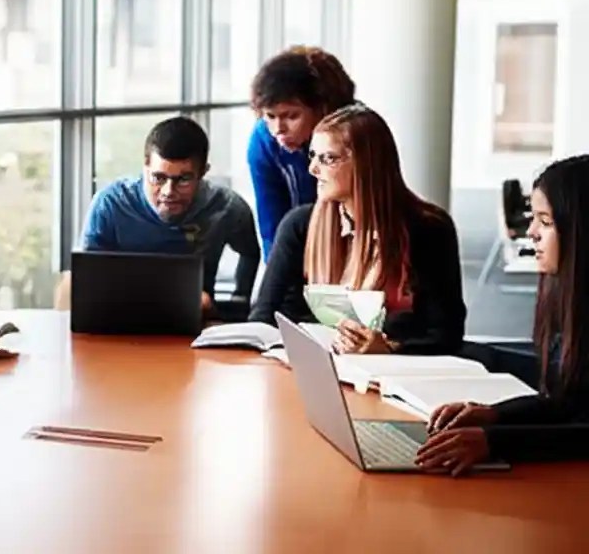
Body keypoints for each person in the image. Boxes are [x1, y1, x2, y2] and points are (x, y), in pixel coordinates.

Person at [417, 155, 589, 475]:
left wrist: (494, 441)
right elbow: (569, 402)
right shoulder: (572, 304)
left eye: (546, 221)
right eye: (533, 217)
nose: (531, 232)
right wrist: (493, 415)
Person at [248, 104, 466, 355]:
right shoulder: (299, 226)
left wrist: (387, 349)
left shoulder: (429, 229)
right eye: (312, 156)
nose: (313, 169)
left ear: (366, 163)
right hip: (312, 368)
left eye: (327, 158)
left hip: (397, 379)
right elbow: (263, 317)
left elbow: (446, 335)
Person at [81, 116, 259, 317]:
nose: (168, 191)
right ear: (145, 167)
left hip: (195, 324)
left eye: (183, 180)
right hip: (118, 321)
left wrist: (236, 304)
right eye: (158, 178)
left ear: (202, 173)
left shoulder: (227, 208)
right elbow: (88, 278)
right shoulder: (110, 205)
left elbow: (250, 253)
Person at [247, 46, 356, 257]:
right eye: (270, 116)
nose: (278, 129)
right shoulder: (262, 141)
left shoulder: (357, 133)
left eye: (291, 116)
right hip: (298, 247)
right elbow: (271, 229)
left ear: (322, 109)